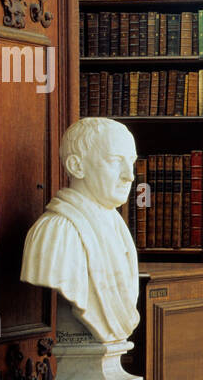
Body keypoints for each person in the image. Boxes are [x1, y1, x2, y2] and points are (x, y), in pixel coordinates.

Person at [22, 117, 141, 344]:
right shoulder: (56, 233)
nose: (130, 175)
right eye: (116, 161)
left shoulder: (116, 226)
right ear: (76, 166)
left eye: (132, 162)